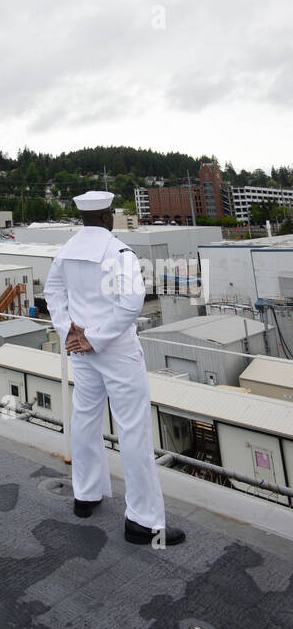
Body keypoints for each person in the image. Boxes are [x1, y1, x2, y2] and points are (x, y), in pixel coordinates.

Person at [43, 190, 185, 546]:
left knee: (85, 418)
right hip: (116, 351)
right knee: (134, 430)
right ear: (107, 217)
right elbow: (132, 302)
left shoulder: (67, 250)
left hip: (82, 351)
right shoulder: (119, 251)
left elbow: (52, 294)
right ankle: (143, 520)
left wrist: (70, 332)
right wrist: (97, 337)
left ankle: (85, 494)